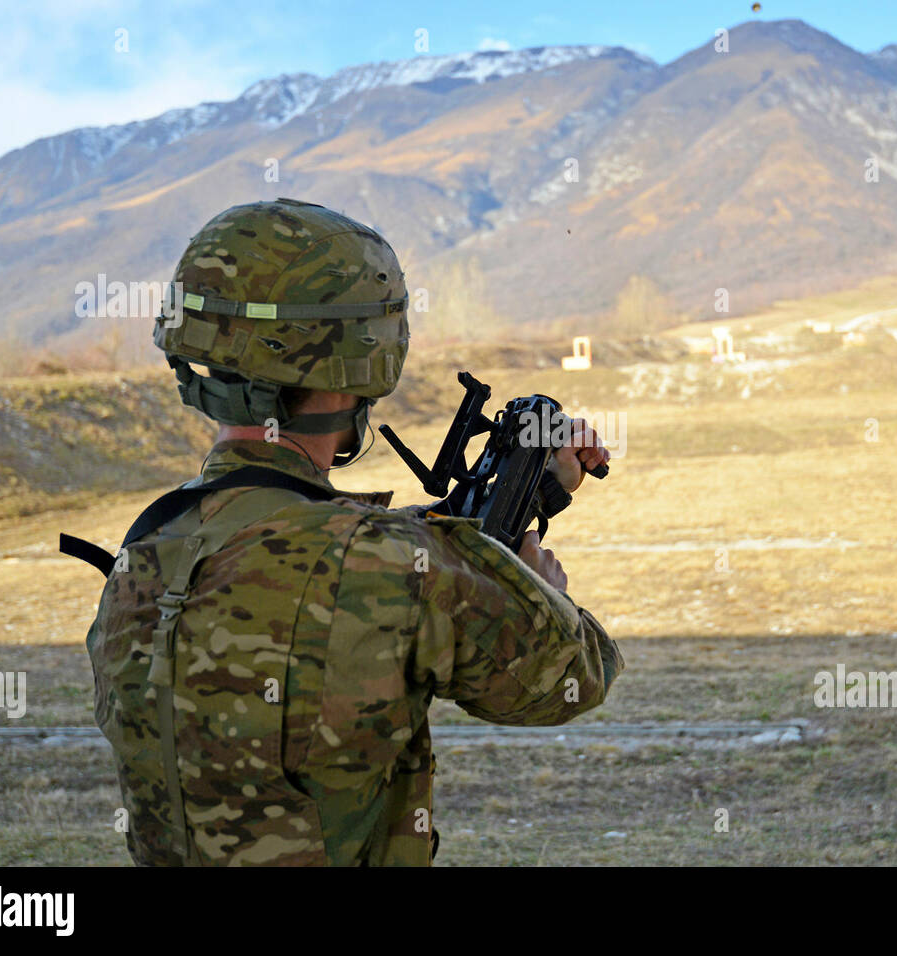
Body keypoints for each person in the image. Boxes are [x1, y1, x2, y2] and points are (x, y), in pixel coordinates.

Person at [85, 197, 623, 866]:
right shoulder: (388, 566)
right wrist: (542, 587)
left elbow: (315, 557)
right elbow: (573, 674)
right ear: (365, 357)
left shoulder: (141, 558)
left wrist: (530, 487)